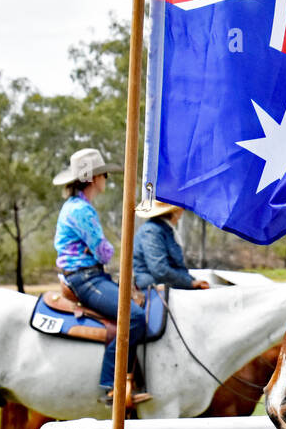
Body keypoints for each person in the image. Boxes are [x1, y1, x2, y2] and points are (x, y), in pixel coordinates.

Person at [52, 147, 147, 405]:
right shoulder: (82, 211)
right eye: (104, 174)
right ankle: (111, 384)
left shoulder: (76, 207)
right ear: (93, 178)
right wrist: (103, 249)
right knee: (135, 317)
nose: (106, 179)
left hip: (86, 275)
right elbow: (104, 252)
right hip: (86, 278)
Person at [132, 202, 211, 292]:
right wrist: (190, 283)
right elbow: (160, 270)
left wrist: (192, 280)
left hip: (167, 284)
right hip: (153, 288)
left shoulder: (164, 229)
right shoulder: (152, 231)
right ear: (175, 211)